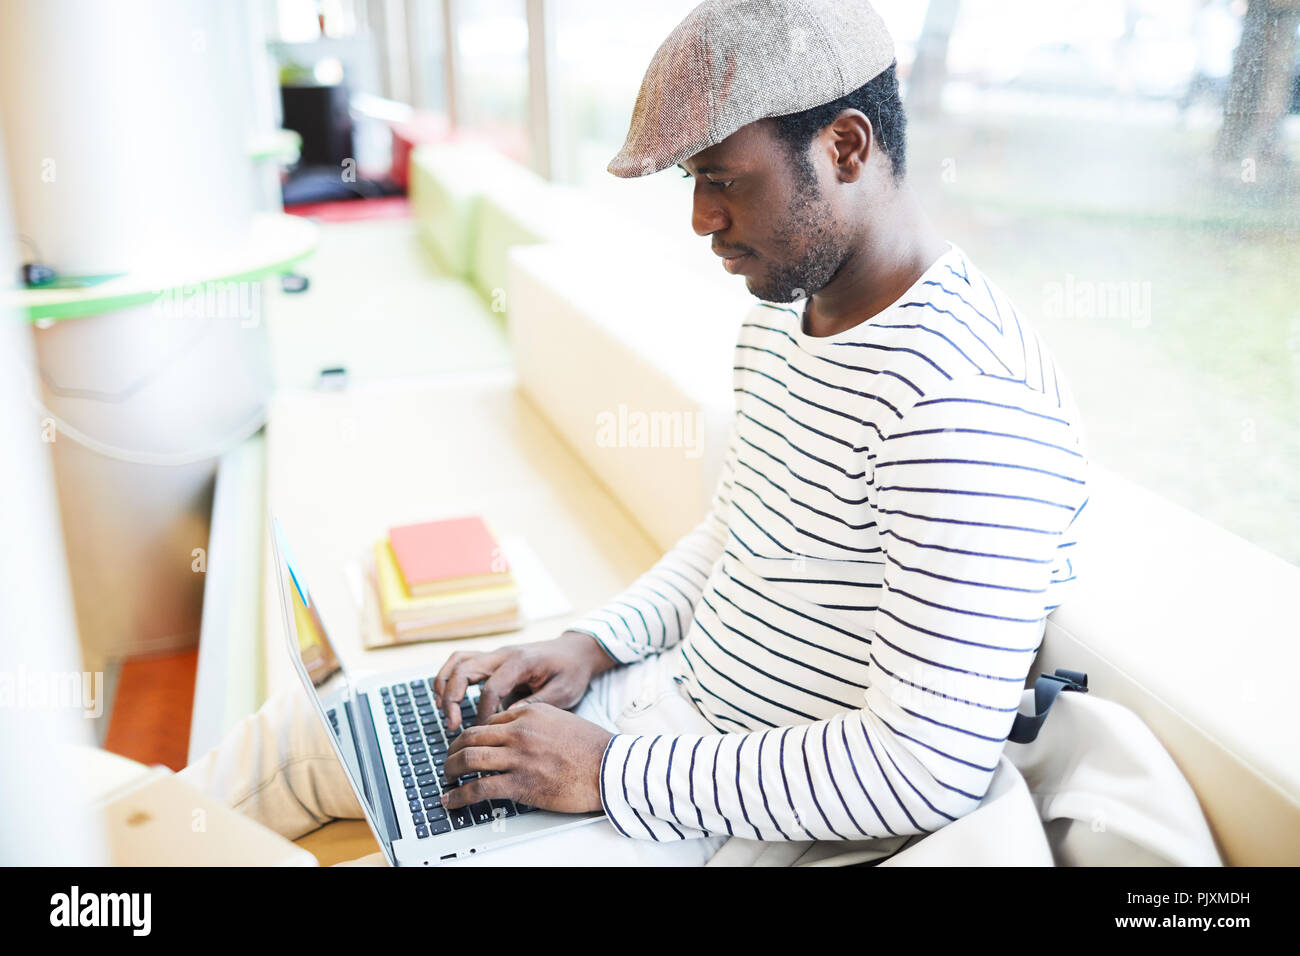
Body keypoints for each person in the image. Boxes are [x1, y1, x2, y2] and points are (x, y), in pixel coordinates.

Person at [183, 0, 1089, 866]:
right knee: (312, 734)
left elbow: (920, 769)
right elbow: (736, 537)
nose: (702, 220)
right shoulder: (782, 318)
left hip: (732, 812)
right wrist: (589, 645)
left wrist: (605, 770)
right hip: (658, 709)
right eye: (694, 181)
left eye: (724, 180)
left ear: (845, 146)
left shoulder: (966, 403)